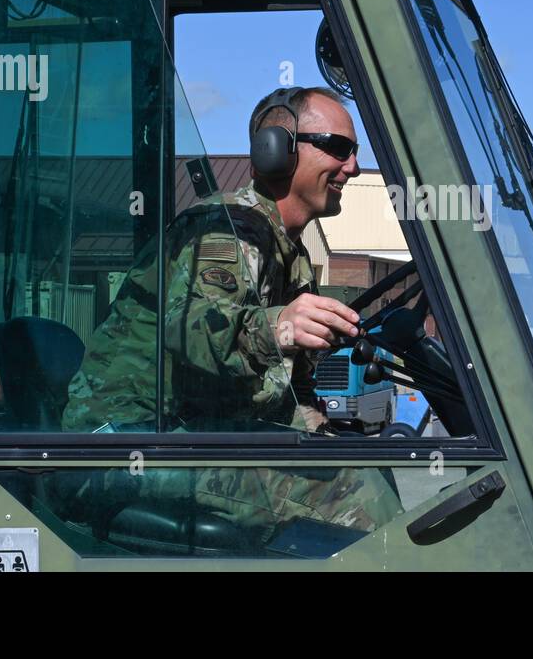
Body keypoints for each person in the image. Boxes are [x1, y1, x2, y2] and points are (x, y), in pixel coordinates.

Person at [61, 86, 404, 543]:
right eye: (338, 148)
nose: (353, 167)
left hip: (191, 434)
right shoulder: (223, 232)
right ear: (276, 148)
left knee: (363, 462)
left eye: (355, 152)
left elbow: (288, 389)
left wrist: (320, 430)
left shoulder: (289, 253)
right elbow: (195, 336)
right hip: (125, 443)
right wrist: (278, 326)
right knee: (358, 496)